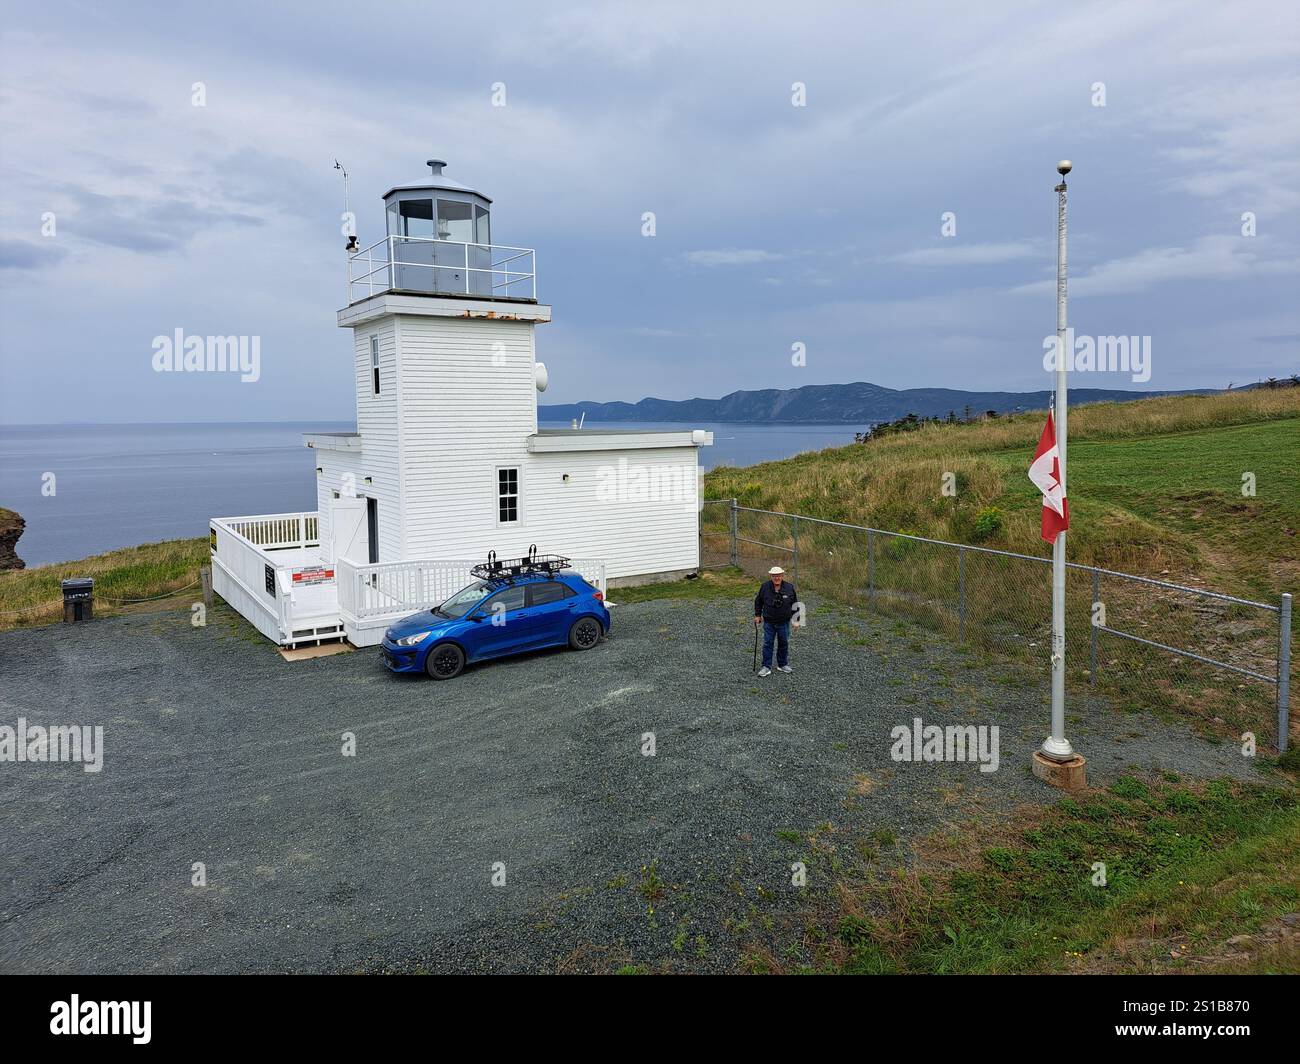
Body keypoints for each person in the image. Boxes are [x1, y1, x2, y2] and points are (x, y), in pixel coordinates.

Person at [753, 565, 799, 677]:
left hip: (784, 622)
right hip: (769, 622)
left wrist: (796, 620)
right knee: (768, 643)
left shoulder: (789, 587)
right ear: (771, 576)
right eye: (774, 576)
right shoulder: (765, 587)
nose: (776, 578)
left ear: (782, 576)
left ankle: (782, 664)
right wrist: (758, 615)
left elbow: (795, 604)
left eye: (778, 576)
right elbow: (758, 601)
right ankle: (766, 666)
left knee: (784, 643)